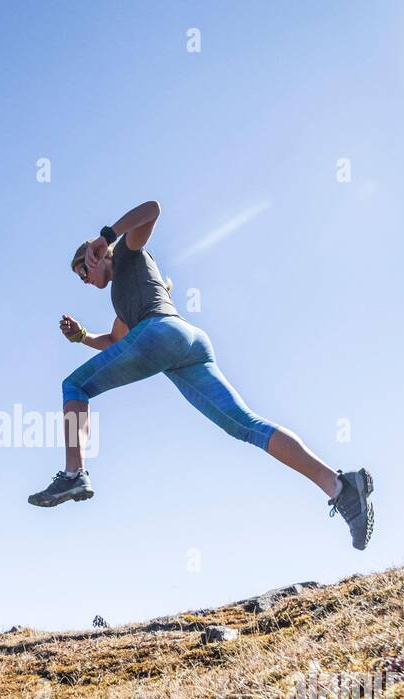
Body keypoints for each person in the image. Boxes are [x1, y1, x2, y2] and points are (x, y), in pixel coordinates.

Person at [27, 200, 374, 550]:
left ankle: (74, 474)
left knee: (74, 386)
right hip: (187, 345)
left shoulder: (128, 254)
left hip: (160, 333)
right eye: (80, 278)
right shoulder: (125, 292)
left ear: (96, 256)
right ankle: (341, 487)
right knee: (245, 424)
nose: (84, 280)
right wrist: (83, 336)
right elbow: (118, 342)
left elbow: (152, 209)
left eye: (82, 271)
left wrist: (107, 236)